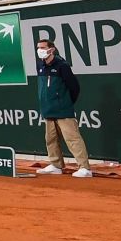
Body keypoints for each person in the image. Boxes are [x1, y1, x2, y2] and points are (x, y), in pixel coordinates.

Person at [34, 39, 91, 178]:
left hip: (63, 110)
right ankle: (56, 165)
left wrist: (65, 102)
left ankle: (85, 168)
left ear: (51, 49)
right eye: (38, 48)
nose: (39, 50)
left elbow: (74, 87)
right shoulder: (40, 66)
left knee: (73, 139)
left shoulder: (62, 66)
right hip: (48, 110)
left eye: (42, 47)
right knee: (51, 139)